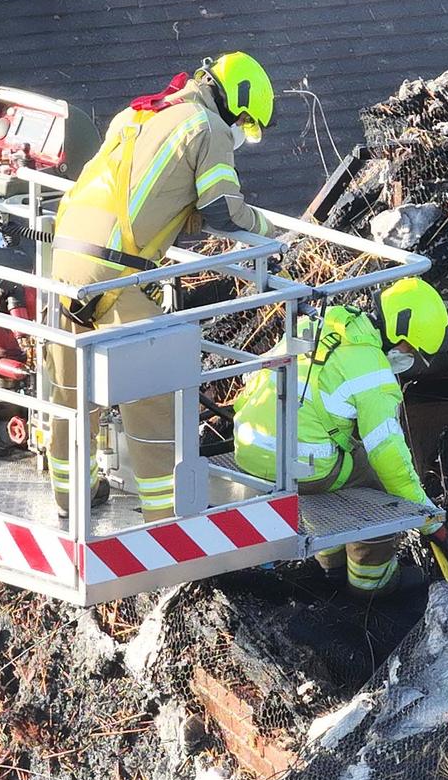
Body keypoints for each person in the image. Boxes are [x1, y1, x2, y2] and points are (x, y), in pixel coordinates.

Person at [45, 53, 277, 520]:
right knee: (154, 399)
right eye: (246, 123)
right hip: (118, 274)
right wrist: (267, 230)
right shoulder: (206, 128)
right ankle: (164, 518)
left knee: (71, 390)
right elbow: (224, 211)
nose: (241, 132)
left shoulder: (142, 113)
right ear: (237, 104)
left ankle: (71, 496)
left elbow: (144, 194)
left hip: (66, 263)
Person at [231, 276, 448, 594]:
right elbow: (389, 455)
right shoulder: (372, 371)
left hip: (247, 446)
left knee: (339, 456)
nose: (407, 357)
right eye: (410, 349)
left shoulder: (323, 322)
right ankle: (371, 585)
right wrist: (426, 514)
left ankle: (331, 566)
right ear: (400, 332)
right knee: (377, 483)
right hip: (298, 464)